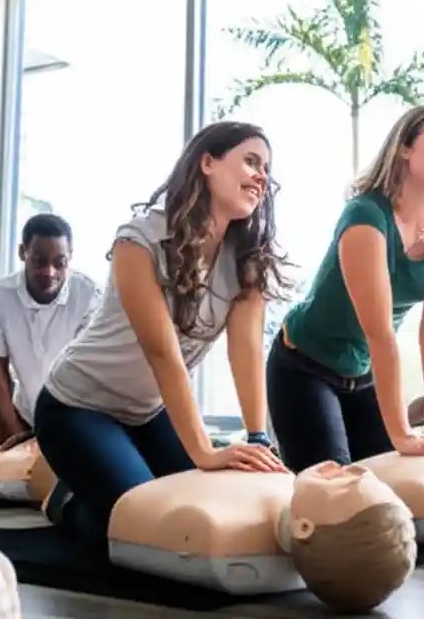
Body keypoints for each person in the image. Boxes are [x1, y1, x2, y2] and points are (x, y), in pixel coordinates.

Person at [34, 121, 289, 555]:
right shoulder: (140, 239)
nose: (261, 176)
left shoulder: (246, 257)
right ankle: (69, 499)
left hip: (149, 413)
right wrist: (204, 452)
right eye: (250, 161)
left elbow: (246, 351)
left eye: (266, 168)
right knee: (152, 530)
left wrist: (257, 438)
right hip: (77, 408)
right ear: (207, 162)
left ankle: (103, 483)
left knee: (201, 515)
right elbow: (162, 353)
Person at [265, 105, 424, 474]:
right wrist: (402, 436)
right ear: (405, 149)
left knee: (390, 480)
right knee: (338, 485)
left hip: (362, 374)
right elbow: (379, 333)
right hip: (305, 366)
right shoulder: (366, 215)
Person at [0, 213, 101, 451]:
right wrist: (10, 428)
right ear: (22, 253)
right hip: (21, 412)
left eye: (59, 263)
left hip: (74, 418)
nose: (49, 272)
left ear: (70, 257)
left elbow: (88, 372)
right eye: (39, 261)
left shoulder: (88, 295)